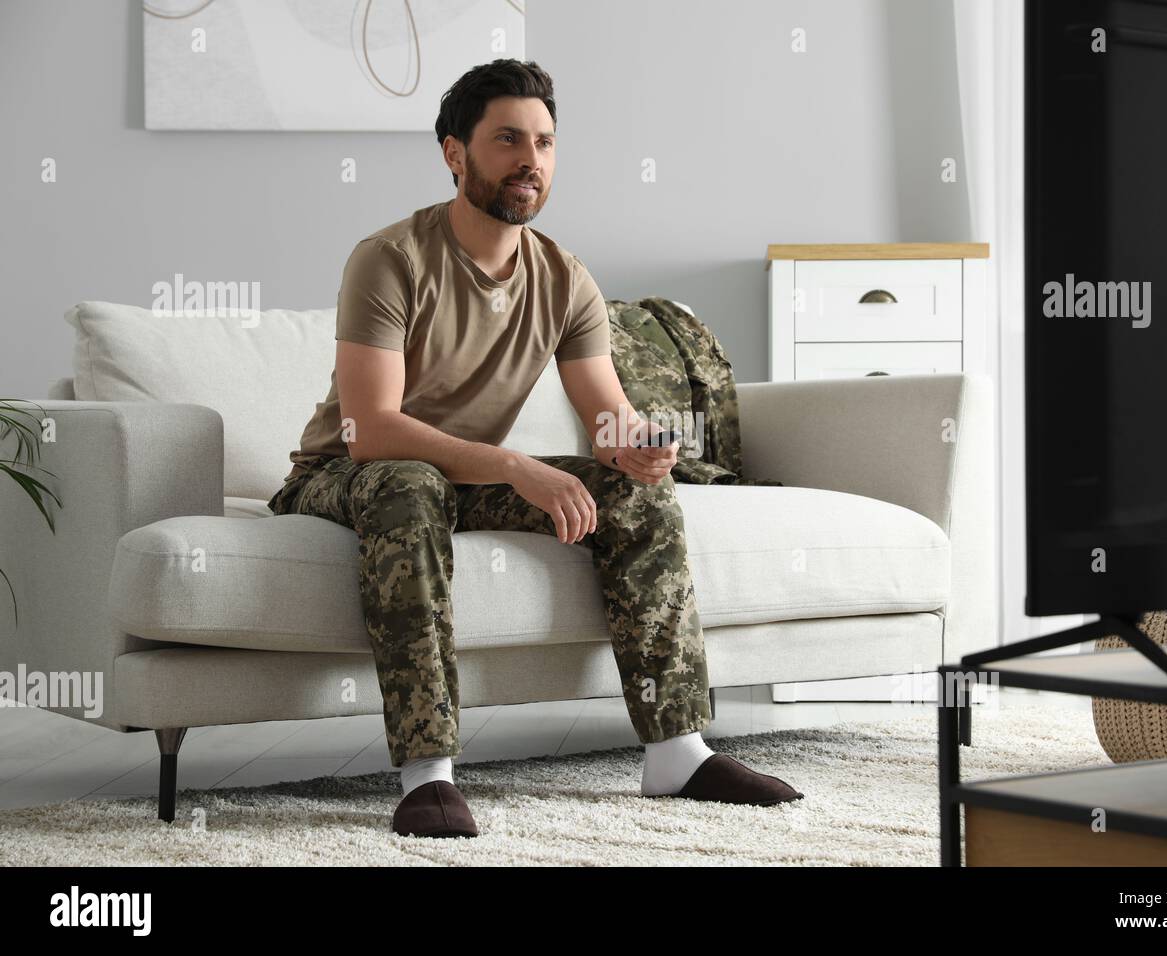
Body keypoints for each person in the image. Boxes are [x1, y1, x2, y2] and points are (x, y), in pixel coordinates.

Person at [268, 59, 802, 839]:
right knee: (407, 482)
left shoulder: (564, 277)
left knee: (634, 494)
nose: (532, 160)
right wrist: (520, 465)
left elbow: (605, 414)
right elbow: (371, 428)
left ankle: (677, 750)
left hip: (456, 476)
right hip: (345, 474)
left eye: (546, 142)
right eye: (509, 139)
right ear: (455, 153)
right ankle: (428, 772)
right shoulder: (390, 259)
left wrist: (638, 447)